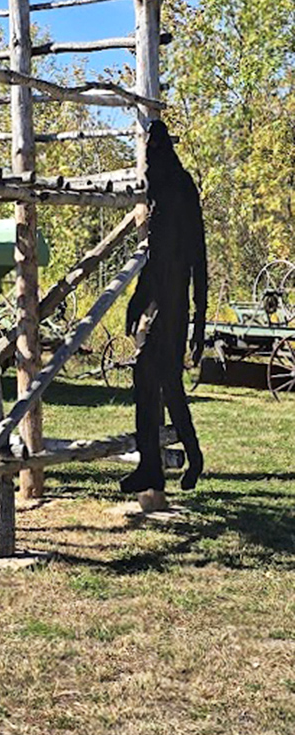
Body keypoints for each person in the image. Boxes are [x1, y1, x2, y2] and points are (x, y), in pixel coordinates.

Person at [122, 119, 207, 494]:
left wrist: (199, 320)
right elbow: (157, 259)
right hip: (168, 300)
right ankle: (184, 458)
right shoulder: (166, 188)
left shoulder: (177, 189)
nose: (147, 163)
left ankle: (155, 466)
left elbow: (194, 259)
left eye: (150, 154)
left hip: (173, 304)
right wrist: (138, 301)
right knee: (167, 382)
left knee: (148, 377)